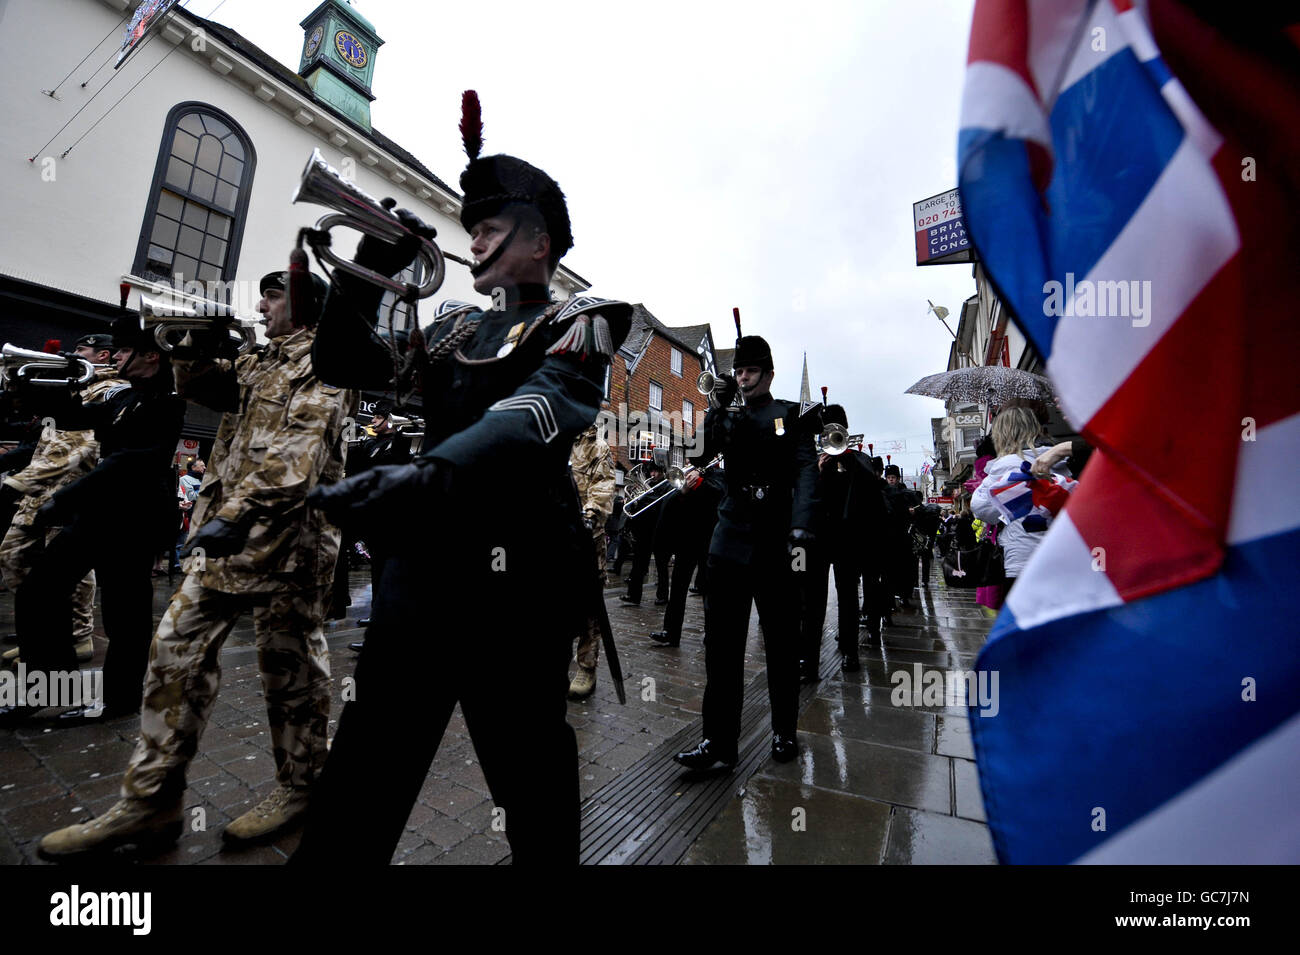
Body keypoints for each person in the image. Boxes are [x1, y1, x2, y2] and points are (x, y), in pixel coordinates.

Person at [290, 91, 632, 865]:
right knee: (365, 766)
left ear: (540, 241)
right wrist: (368, 273)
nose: (470, 239)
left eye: (489, 227)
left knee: (530, 773)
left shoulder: (582, 320)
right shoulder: (449, 324)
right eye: (468, 226)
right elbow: (346, 364)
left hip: (518, 582)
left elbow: (535, 413)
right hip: (423, 572)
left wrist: (426, 475)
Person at [37, 269, 358, 857]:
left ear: (308, 305)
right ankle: (151, 803)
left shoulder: (330, 360)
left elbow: (299, 454)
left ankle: (302, 784)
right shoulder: (256, 361)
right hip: (225, 540)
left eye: (274, 294)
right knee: (174, 650)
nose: (261, 305)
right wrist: (182, 343)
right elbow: (204, 389)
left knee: (289, 671)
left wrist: (235, 514)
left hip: (288, 539)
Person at [0, 318, 186, 726]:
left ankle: (120, 699)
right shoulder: (125, 398)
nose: (115, 356)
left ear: (150, 355)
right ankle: (49, 688)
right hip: (101, 513)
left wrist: (63, 500)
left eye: (123, 350)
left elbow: (133, 460)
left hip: (135, 520)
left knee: (125, 614)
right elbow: (75, 417)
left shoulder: (166, 401)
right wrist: (31, 388)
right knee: (38, 591)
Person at [674, 335, 819, 770]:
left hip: (775, 538)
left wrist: (800, 527)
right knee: (721, 646)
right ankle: (718, 743)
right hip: (730, 535)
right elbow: (697, 454)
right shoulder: (727, 416)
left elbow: (806, 469)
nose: (742, 377)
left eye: (750, 371)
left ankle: (784, 731)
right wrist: (715, 410)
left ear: (768, 374)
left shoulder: (790, 415)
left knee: (780, 641)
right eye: (738, 371)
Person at [0, 334, 122, 669]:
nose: (73, 354)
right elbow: (43, 441)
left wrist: (15, 484)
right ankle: (40, 635)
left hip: (72, 492)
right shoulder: (75, 386)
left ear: (103, 354)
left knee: (71, 575)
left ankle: (77, 637)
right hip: (40, 491)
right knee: (14, 557)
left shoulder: (109, 390)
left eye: (81, 350)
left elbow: (76, 447)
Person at [797, 404, 889, 676]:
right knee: (812, 599)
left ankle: (850, 651)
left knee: (848, 596)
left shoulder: (857, 460)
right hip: (818, 537)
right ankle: (809, 659)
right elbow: (803, 494)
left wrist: (846, 462)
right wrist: (817, 468)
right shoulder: (814, 461)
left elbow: (871, 490)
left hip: (848, 538)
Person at [970, 407, 1074, 592]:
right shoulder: (1060, 461)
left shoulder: (1006, 466)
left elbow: (983, 509)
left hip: (1023, 558)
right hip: (1064, 554)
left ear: (1002, 435)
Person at [342, 402, 413, 653]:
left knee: (389, 573)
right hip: (376, 515)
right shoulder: (372, 443)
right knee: (379, 572)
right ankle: (379, 621)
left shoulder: (402, 441)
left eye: (379, 417)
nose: (373, 421)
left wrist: (400, 427)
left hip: (393, 517)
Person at [649, 447, 721, 648]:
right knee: (678, 590)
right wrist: (683, 491)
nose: (690, 459)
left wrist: (699, 482)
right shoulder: (686, 474)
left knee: (710, 592)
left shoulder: (718, 475)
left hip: (709, 541)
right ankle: (670, 632)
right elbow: (669, 503)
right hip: (686, 541)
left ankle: (712, 633)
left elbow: (720, 494)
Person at [567, 421, 615, 698]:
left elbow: (603, 488)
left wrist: (589, 517)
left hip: (586, 540)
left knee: (588, 606)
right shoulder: (553, 441)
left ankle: (586, 667)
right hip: (555, 539)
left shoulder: (597, 447)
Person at [620, 458, 667, 605]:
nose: (653, 474)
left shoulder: (667, 486)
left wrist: (643, 498)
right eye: (651, 471)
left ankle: (663, 595)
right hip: (644, 531)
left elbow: (661, 504)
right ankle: (633, 595)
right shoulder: (648, 485)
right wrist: (632, 502)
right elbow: (638, 509)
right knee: (638, 564)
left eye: (656, 471)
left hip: (659, 530)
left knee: (661, 565)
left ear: (662, 472)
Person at [882, 463, 921, 610]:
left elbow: (919, 509)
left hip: (904, 536)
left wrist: (913, 511)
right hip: (888, 537)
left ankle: (905, 596)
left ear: (898, 478)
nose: (891, 480)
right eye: (889, 477)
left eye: (893, 477)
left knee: (905, 569)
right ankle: (890, 598)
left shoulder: (906, 494)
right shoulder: (883, 492)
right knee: (889, 570)